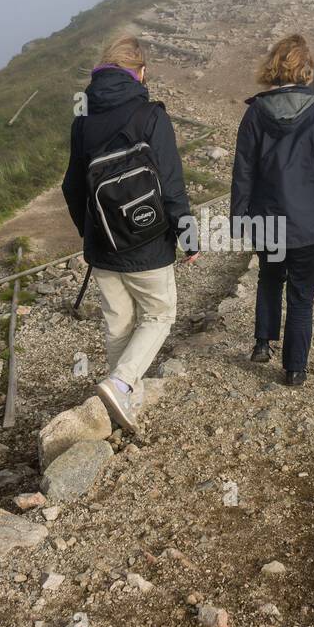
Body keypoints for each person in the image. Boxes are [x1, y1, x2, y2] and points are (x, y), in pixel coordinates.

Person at [61, 36, 199, 431]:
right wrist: (187, 236)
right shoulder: (150, 115)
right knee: (158, 314)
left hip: (102, 246)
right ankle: (121, 383)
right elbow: (171, 185)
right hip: (148, 241)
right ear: (140, 72)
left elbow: (72, 187)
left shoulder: (83, 118)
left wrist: (91, 232)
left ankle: (121, 402)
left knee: (118, 323)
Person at [232, 34, 314, 385]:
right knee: (302, 294)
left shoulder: (255, 112)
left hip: (267, 217)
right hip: (310, 219)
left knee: (270, 277)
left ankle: (261, 342)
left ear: (273, 68)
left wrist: (239, 219)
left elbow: (243, 169)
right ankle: (295, 368)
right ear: (306, 71)